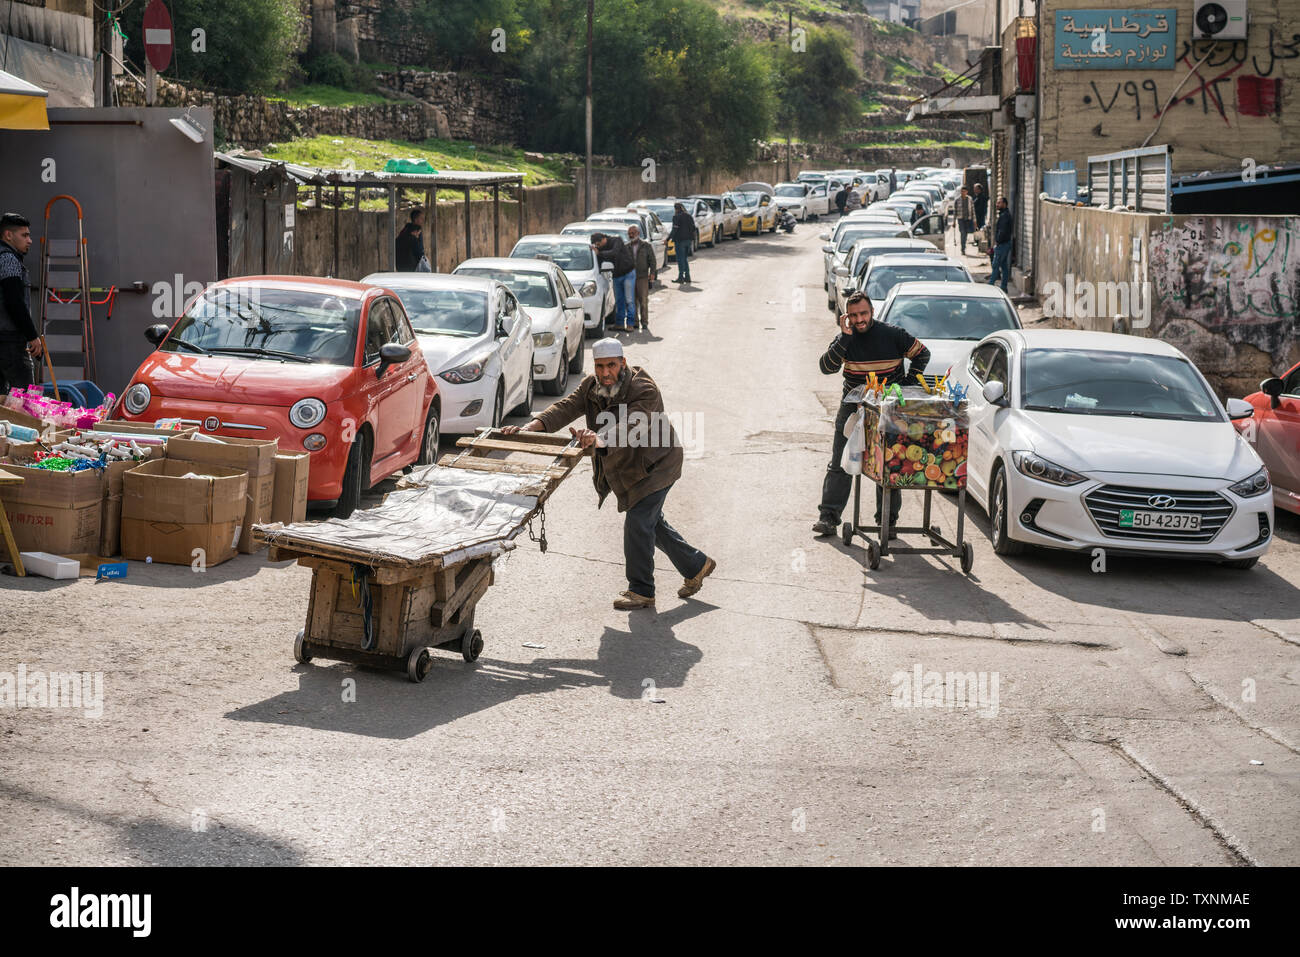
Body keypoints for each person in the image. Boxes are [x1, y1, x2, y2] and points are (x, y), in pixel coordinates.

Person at [503, 337, 715, 610]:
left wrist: (598, 439)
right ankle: (697, 565)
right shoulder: (591, 386)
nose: (605, 373)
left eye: (611, 366)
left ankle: (641, 591)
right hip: (628, 469)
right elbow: (566, 407)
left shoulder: (643, 390)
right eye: (600, 366)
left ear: (622, 364)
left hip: (658, 466)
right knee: (650, 524)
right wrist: (531, 427)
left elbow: (629, 427)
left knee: (639, 523)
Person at [813, 291, 930, 539]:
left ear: (872, 312)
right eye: (853, 315)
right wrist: (844, 338)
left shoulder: (893, 335)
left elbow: (922, 353)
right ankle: (828, 518)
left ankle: (887, 523)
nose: (859, 319)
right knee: (840, 462)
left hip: (889, 408)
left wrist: (907, 386)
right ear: (847, 317)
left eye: (863, 313)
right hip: (854, 409)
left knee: (889, 466)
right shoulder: (845, 339)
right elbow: (826, 367)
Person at [0, 213, 42, 393]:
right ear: (8, 235)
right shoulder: (8, 259)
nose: (30, 240)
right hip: (10, 341)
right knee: (25, 400)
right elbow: (14, 302)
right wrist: (32, 336)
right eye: (24, 235)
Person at [591, 232, 636, 330]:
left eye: (598, 244)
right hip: (616, 275)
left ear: (603, 239)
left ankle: (630, 324)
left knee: (629, 300)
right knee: (619, 301)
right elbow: (600, 262)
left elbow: (614, 252)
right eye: (596, 245)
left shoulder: (616, 240)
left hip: (628, 273)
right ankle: (619, 324)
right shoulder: (600, 249)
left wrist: (600, 253)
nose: (598, 246)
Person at [626, 224, 656, 332]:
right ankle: (635, 322)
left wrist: (652, 273)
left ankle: (644, 322)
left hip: (642, 277)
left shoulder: (646, 246)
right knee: (632, 301)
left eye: (632, 233)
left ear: (638, 233)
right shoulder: (626, 247)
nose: (630, 235)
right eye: (629, 234)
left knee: (643, 300)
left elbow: (652, 260)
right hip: (630, 277)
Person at [668, 202, 696, 285]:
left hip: (680, 241)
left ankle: (680, 277)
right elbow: (693, 228)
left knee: (680, 259)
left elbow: (674, 230)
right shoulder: (689, 216)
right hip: (688, 241)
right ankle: (687, 277)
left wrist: (668, 239)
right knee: (684, 259)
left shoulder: (676, 217)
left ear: (676, 209)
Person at [989, 197, 1013, 293]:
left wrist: (997, 242)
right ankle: (1004, 287)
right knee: (1003, 266)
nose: (997, 204)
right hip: (1005, 244)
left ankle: (990, 286)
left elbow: (1002, 232)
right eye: (997, 203)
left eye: (999, 203)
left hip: (1002, 244)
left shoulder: (1005, 216)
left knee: (996, 265)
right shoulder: (1004, 214)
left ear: (1004, 204)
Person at [954, 186, 975, 254]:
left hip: (968, 219)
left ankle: (964, 246)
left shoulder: (970, 199)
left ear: (967, 192)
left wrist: (974, 220)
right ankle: (963, 249)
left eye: (964, 191)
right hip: (961, 219)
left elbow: (972, 210)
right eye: (962, 191)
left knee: (966, 233)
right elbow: (955, 211)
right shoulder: (957, 200)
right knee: (962, 233)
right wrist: (954, 221)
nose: (963, 193)